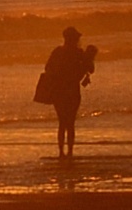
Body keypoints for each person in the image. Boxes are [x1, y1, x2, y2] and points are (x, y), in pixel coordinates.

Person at [37, 25, 95, 159]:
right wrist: (90, 56)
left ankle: (61, 152)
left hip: (58, 91)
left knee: (62, 122)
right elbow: (90, 69)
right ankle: (69, 151)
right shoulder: (78, 53)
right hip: (73, 91)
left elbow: (47, 68)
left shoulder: (58, 52)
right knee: (70, 122)